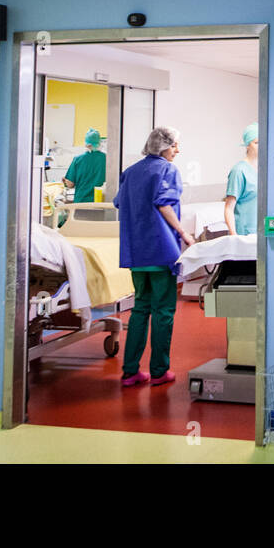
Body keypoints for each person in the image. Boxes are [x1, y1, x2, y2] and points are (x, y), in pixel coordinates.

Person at [115, 126, 194, 387]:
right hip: (160, 250)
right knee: (163, 311)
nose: (178, 151)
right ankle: (159, 371)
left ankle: (130, 371)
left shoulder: (131, 172)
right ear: (164, 146)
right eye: (175, 146)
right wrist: (184, 233)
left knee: (140, 308)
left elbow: (119, 202)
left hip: (136, 252)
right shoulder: (167, 169)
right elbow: (163, 203)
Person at [223, 123, 258, 235]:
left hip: (259, 231)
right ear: (247, 145)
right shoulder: (239, 171)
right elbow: (228, 208)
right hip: (242, 232)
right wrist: (234, 237)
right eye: (257, 143)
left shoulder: (264, 170)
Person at [62, 128, 105, 202]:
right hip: (100, 202)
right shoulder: (107, 159)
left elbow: (70, 184)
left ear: (86, 143)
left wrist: (65, 181)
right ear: (99, 143)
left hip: (81, 201)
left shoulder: (78, 159)